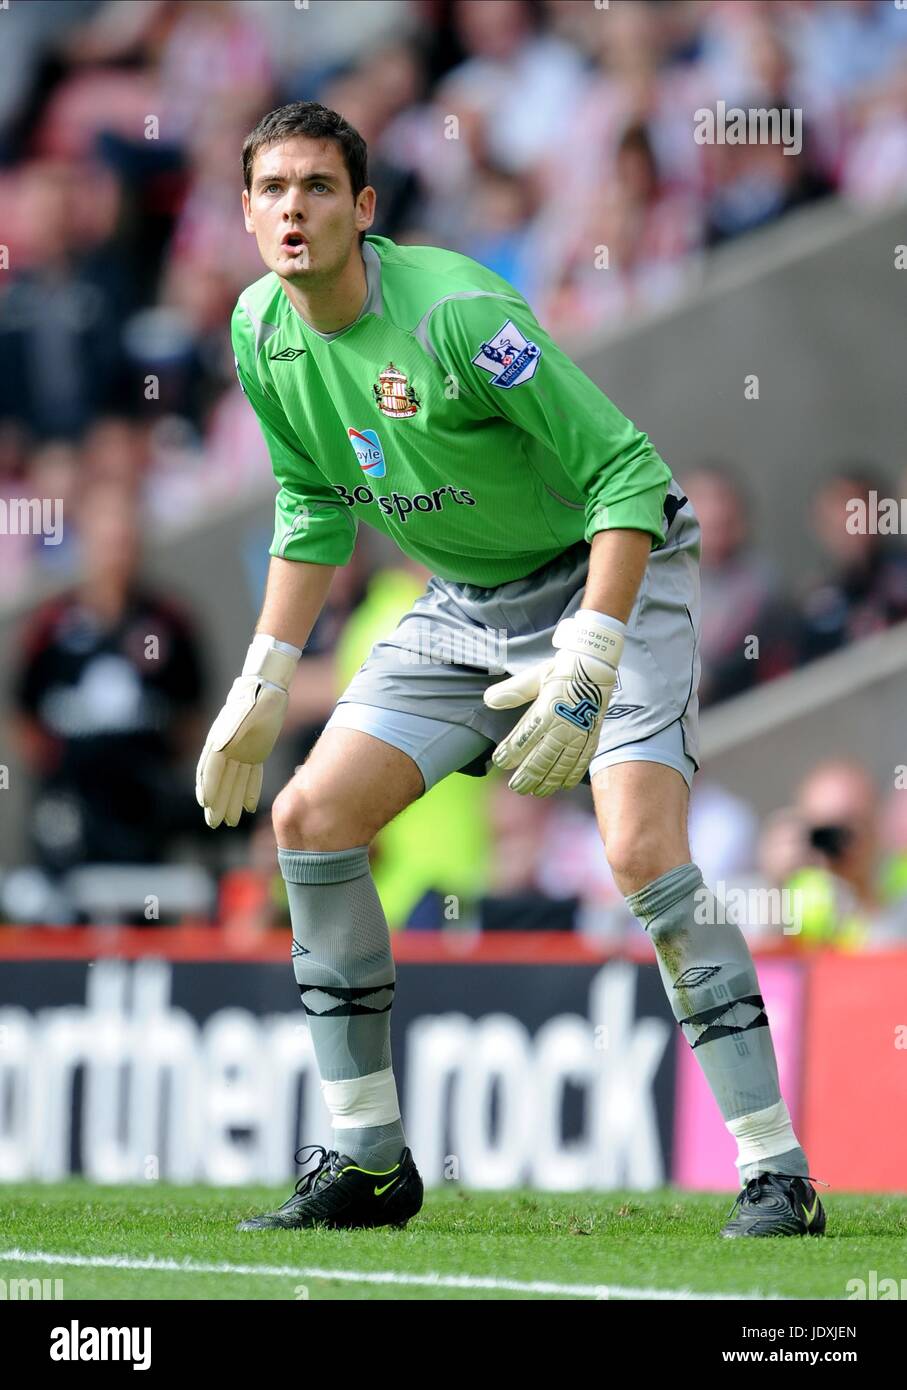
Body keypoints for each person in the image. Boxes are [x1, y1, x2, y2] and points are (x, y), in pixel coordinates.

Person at [196, 101, 825, 1239]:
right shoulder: (258, 333)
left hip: (607, 574)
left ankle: (777, 1171)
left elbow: (627, 473)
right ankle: (369, 1161)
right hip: (464, 605)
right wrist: (265, 675)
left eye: (319, 188)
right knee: (310, 815)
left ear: (364, 209)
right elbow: (311, 507)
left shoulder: (458, 312)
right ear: (246, 214)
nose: (295, 207)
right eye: (274, 190)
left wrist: (590, 650)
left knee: (638, 849)